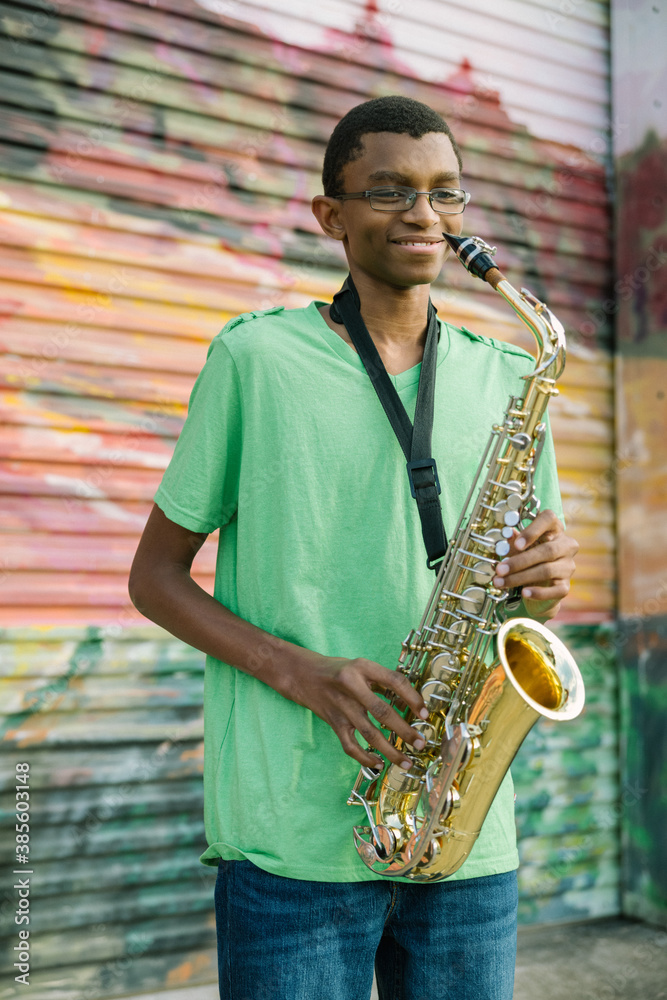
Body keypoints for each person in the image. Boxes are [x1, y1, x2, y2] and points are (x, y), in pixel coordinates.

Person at [129, 95, 578, 1000]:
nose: (423, 216)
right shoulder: (255, 360)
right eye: (389, 191)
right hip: (295, 838)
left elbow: (526, 600)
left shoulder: (510, 374)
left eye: (444, 193)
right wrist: (298, 671)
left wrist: (546, 581)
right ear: (329, 215)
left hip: (462, 832)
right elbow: (153, 577)